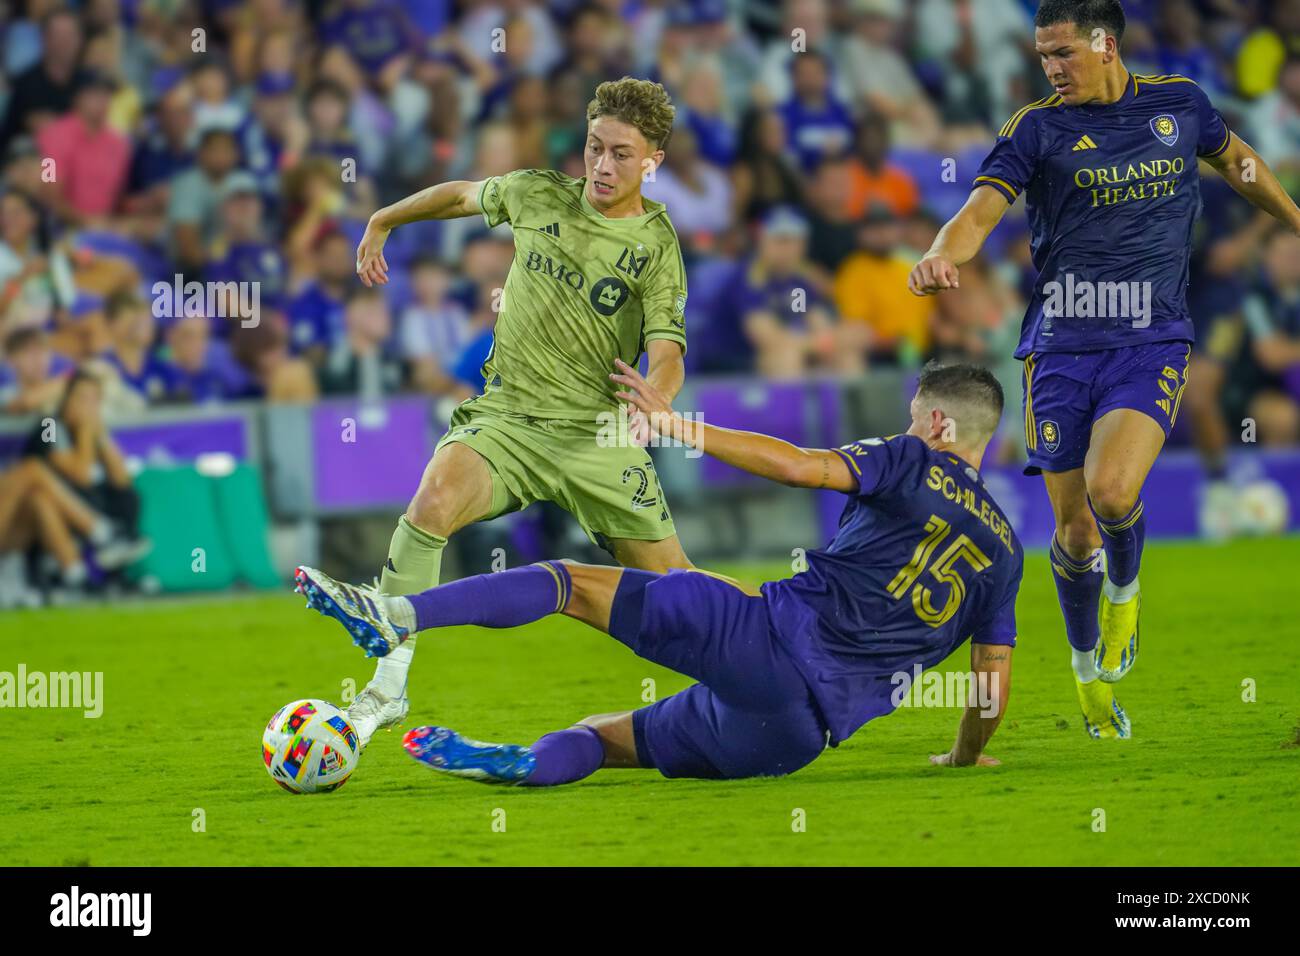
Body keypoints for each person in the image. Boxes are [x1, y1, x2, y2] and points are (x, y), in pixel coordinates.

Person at [294, 361, 1029, 783]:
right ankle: (523, 763)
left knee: (567, 583)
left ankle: (396, 614)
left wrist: (681, 427)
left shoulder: (911, 459)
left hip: (762, 639)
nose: (906, 429)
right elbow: (990, 680)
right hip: (797, 737)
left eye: (911, 419)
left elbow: (803, 468)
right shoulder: (1006, 553)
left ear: (936, 425)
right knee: (611, 738)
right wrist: (965, 754)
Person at [907, 0, 1300, 736]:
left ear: (1105, 44)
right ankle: (1087, 673)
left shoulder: (1180, 105)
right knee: (1075, 532)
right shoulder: (1036, 128)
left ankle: (1127, 592)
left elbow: (1241, 165)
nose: (1050, 68)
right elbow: (980, 211)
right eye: (1042, 55)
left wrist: (1297, 220)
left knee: (1112, 493)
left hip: (1152, 337)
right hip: (1059, 345)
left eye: (1062, 53)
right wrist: (939, 255)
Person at [342, 77, 692, 747]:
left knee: (683, 595)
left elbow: (668, 348)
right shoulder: (538, 193)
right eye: (594, 148)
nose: (602, 166)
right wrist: (384, 217)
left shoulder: (656, 246)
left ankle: (773, 662)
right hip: (507, 422)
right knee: (431, 504)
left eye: (621, 154)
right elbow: (459, 195)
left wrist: (660, 396)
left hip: (598, 438)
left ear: (653, 162)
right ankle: (387, 688)